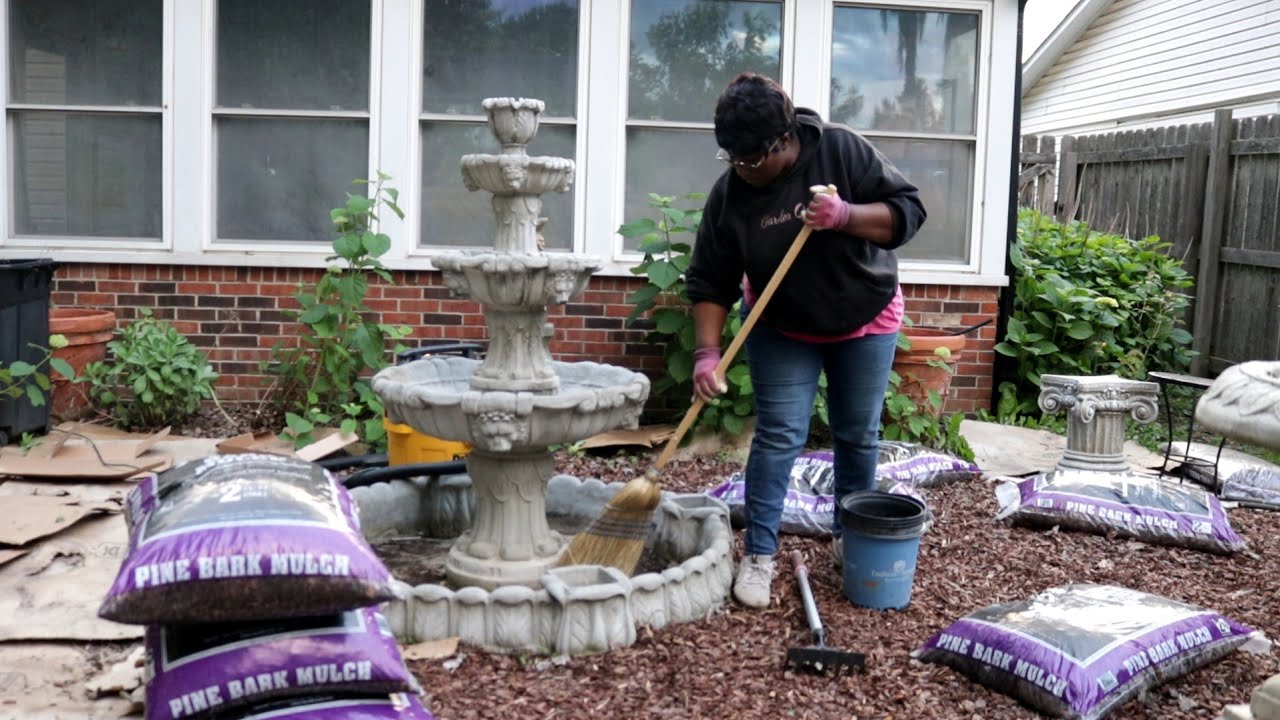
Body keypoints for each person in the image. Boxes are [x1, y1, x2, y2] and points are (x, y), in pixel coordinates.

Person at [685, 72, 926, 609]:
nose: (741, 169)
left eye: (750, 159)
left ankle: (849, 537)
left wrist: (846, 216)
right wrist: (706, 352)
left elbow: (907, 213)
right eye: (732, 158)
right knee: (778, 434)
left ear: (783, 141)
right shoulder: (731, 195)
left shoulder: (840, 151)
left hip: (865, 316)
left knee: (856, 435)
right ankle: (759, 554)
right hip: (781, 325)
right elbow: (709, 279)